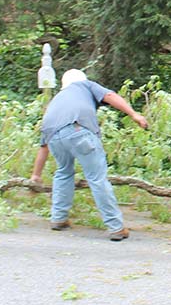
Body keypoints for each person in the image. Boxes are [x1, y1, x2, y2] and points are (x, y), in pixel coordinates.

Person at [31, 69, 148, 241]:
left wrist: (36, 175)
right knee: (97, 178)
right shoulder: (84, 85)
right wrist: (134, 114)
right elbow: (109, 96)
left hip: (55, 138)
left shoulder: (56, 100)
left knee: (63, 172)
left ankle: (58, 218)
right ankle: (116, 227)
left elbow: (44, 146)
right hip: (78, 130)